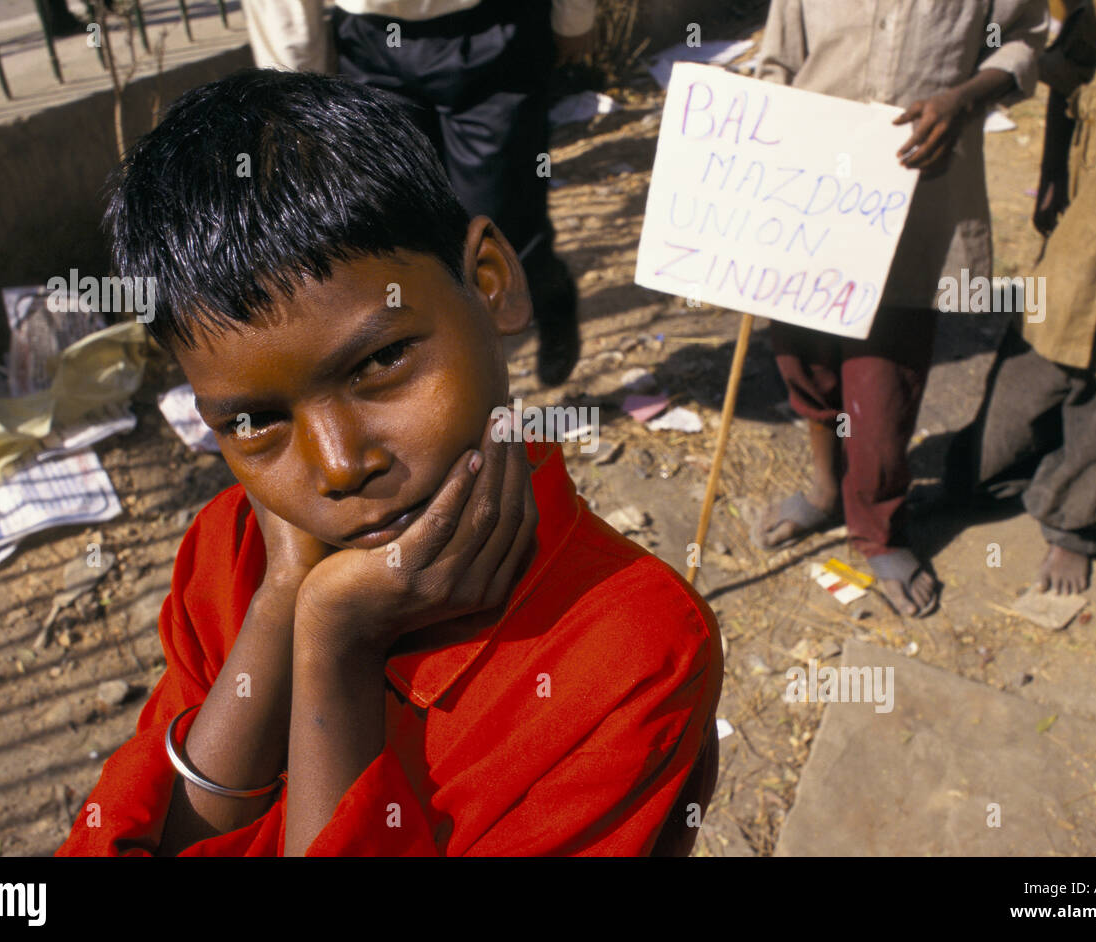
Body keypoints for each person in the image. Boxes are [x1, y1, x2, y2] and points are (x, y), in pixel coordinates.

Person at [56, 70, 722, 857]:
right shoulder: (230, 552)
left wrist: (339, 645)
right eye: (256, 421)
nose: (339, 466)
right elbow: (156, 838)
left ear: (490, 283)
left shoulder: (627, 650)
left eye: (380, 362)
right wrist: (282, 609)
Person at [753, 0, 1048, 617]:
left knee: (883, 384)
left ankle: (878, 527)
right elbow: (779, 62)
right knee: (805, 363)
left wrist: (966, 99)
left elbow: (1020, 40)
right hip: (808, 203)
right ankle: (826, 489)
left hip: (916, 203)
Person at [946, 0, 1096, 595]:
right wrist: (1053, 167)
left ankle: (1077, 525)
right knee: (1012, 411)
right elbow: (1068, 73)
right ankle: (990, 479)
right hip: (1084, 234)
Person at [330, 1, 593, 385]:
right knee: (399, 235)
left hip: (494, 30)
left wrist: (575, 15)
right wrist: (296, 77)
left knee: (500, 232)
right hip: (371, 40)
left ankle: (551, 297)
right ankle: (445, 377)